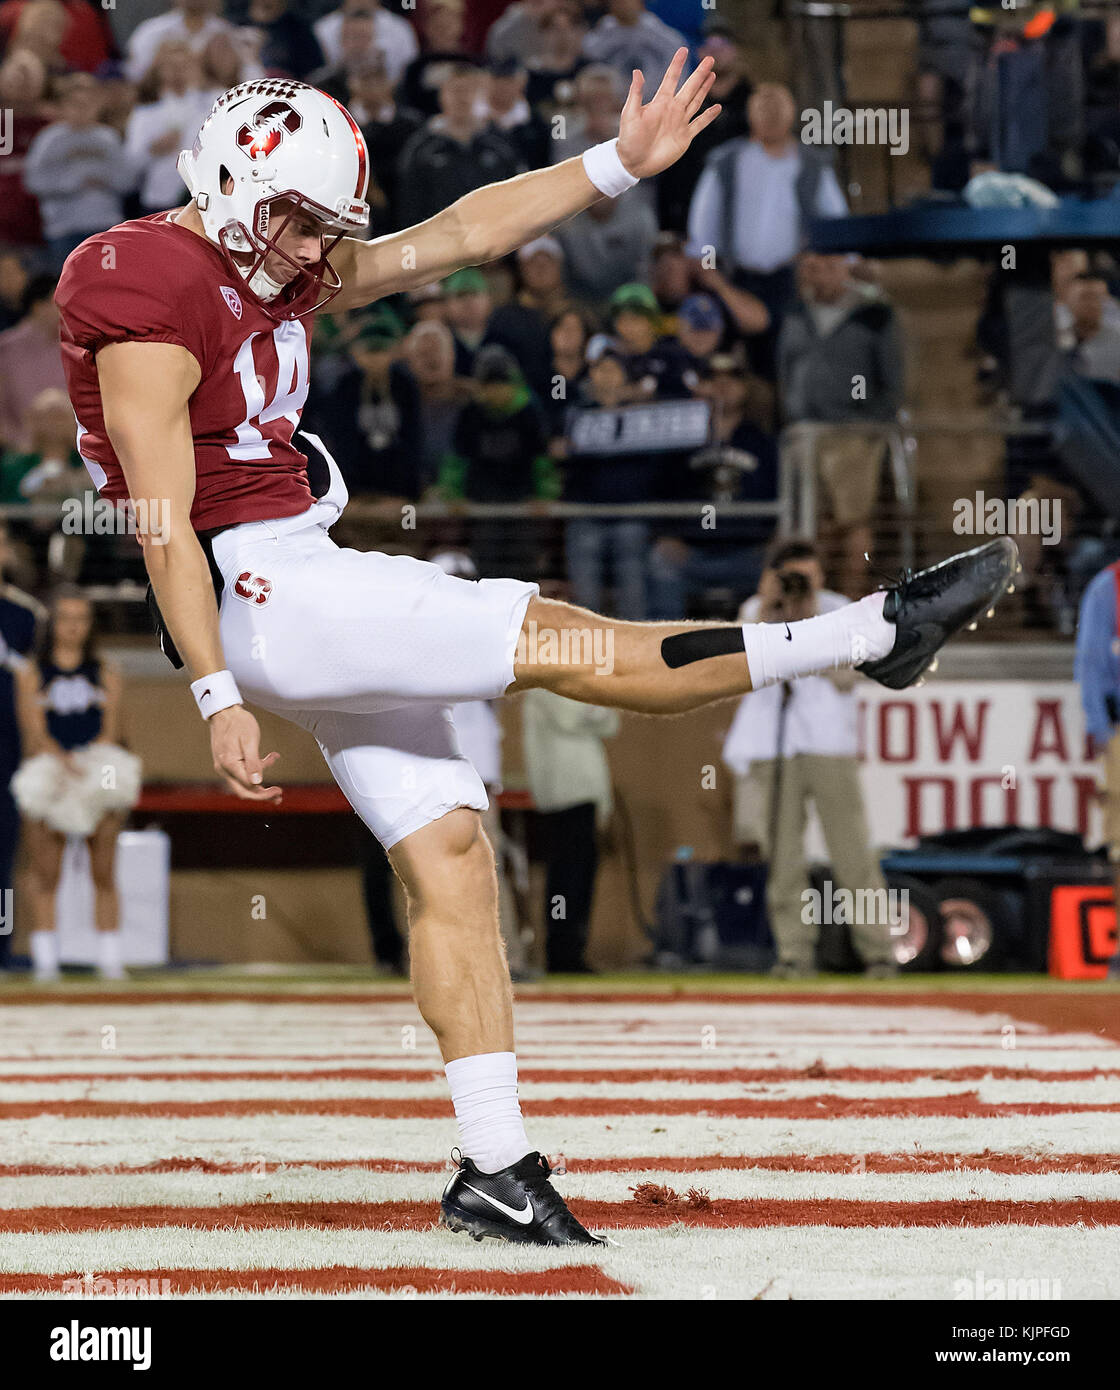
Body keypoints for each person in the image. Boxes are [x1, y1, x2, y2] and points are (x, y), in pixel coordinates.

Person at [53, 62, 1015, 1247]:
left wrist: (617, 165)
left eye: (326, 231)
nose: (315, 253)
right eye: (299, 222)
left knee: (453, 853)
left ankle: (495, 1168)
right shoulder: (143, 283)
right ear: (231, 178)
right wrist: (212, 691)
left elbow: (458, 231)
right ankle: (867, 634)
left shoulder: (279, 256)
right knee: (570, 642)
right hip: (259, 588)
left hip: (289, 571)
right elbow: (159, 521)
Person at [722, 540, 898, 979]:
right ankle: (794, 954)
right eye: (791, 576)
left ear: (822, 575)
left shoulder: (841, 612)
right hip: (773, 745)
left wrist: (808, 628)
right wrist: (769, 605)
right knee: (783, 856)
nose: (801, 584)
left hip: (827, 743)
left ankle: (877, 952)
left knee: (853, 851)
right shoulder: (756, 610)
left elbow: (850, 675)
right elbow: (737, 663)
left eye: (808, 575)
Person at [12, 587, 137, 982]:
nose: (73, 627)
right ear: (53, 624)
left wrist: (85, 763)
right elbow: (32, 731)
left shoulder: (106, 671)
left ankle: (110, 959)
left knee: (104, 869)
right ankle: (46, 962)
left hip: (95, 768)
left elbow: (112, 730)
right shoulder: (31, 672)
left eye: (81, 619)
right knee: (46, 873)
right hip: (50, 770)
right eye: (65, 619)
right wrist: (61, 760)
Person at [687, 82, 848, 375]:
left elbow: (836, 223)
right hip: (733, 277)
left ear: (791, 114)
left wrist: (836, 265)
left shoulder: (813, 165)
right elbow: (703, 229)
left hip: (792, 280)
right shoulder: (725, 162)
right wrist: (710, 272)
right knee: (731, 366)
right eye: (763, 107)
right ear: (751, 113)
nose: (770, 115)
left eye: (777, 108)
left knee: (788, 363)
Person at [778, 252, 905, 598]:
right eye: (811, 268)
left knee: (853, 521)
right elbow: (785, 371)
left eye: (827, 267)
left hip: (854, 435)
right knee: (813, 524)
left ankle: (851, 600)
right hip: (805, 434)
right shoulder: (795, 314)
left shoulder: (873, 314)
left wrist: (869, 422)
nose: (818, 276)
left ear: (845, 269)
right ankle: (816, 601)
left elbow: (892, 378)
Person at [522, 682, 619, 974]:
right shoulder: (544, 684)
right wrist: (599, 701)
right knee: (565, 877)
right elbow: (571, 716)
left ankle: (574, 948)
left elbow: (611, 722)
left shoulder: (577, 684)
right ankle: (560, 950)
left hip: (587, 792)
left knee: (582, 875)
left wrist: (596, 704)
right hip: (563, 791)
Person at [22, 73, 137, 273]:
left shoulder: (108, 138)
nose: (82, 109)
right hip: (64, 230)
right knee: (67, 291)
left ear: (97, 105)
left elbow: (128, 180)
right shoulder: (49, 140)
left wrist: (102, 179)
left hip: (105, 227)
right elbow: (33, 180)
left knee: (106, 288)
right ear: (64, 106)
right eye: (75, 103)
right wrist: (72, 182)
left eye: (88, 103)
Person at [0, 518, 43, 970]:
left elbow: (40, 686)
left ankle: (3, 950)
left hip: (8, 747)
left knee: (5, 851)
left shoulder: (26, 615)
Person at [0, 275, 66, 452]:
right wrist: (20, 445)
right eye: (60, 303)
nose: (68, 310)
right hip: (19, 452)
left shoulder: (75, 346)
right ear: (38, 307)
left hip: (71, 452)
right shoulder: (6, 349)